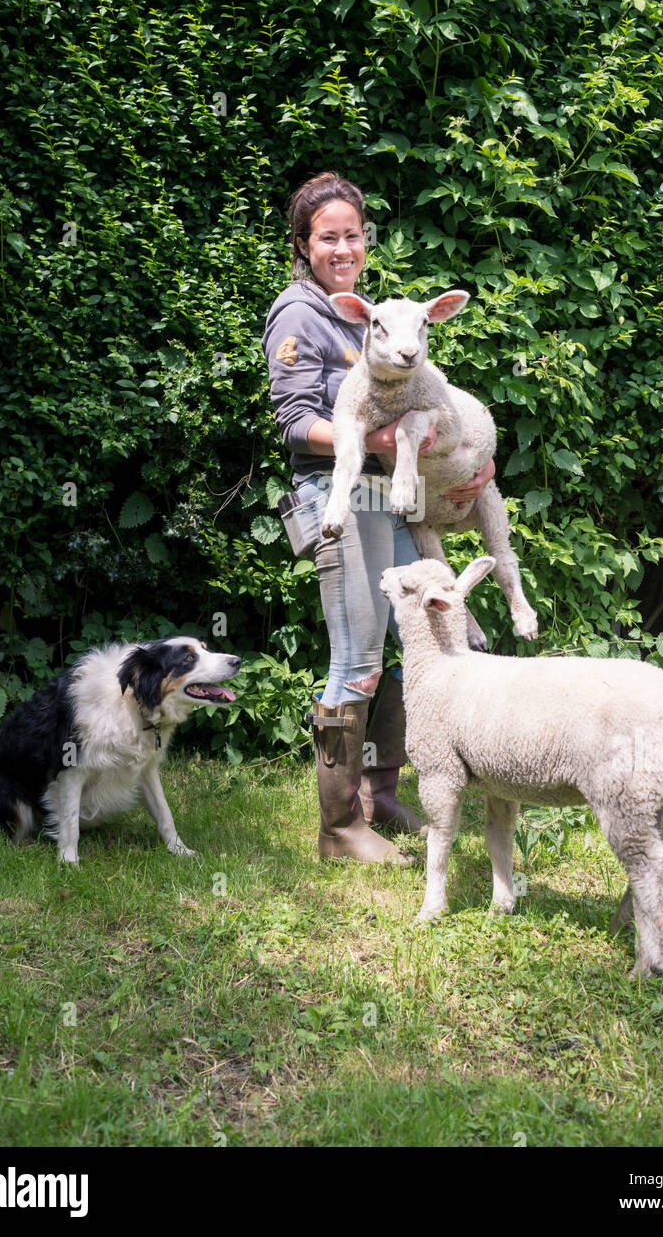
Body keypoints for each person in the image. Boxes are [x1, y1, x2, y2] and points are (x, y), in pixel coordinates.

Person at [262, 172, 495, 864]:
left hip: (391, 497)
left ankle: (379, 793)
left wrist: (461, 471)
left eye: (352, 235)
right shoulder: (298, 314)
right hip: (339, 500)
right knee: (358, 656)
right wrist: (376, 443)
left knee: (420, 643)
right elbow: (295, 424)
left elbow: (424, 412)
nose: (342, 247)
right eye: (327, 237)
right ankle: (338, 829)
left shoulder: (374, 314)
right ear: (303, 245)